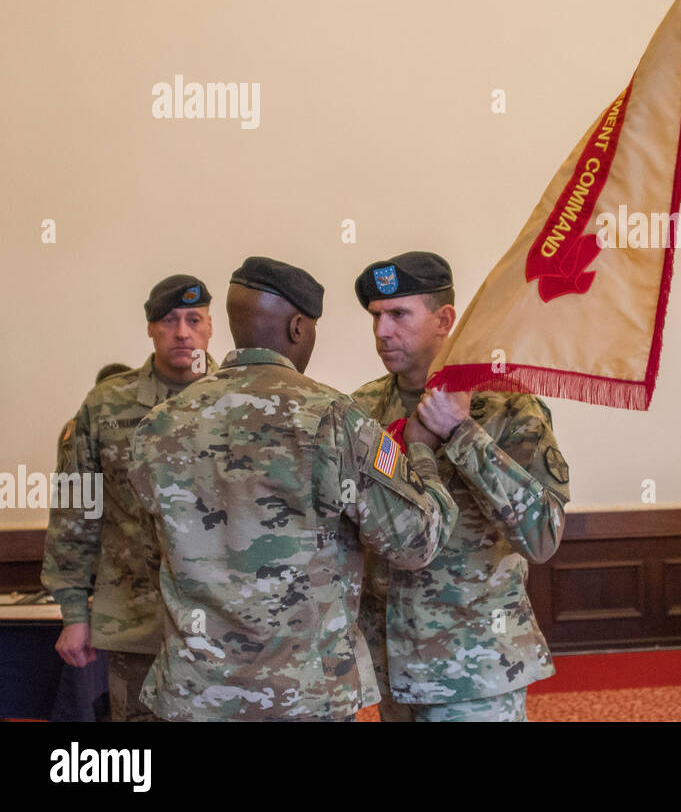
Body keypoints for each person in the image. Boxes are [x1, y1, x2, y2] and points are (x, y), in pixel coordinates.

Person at [125, 257, 457, 721]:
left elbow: (151, 551)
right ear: (299, 328)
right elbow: (415, 540)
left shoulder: (156, 428)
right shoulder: (333, 419)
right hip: (304, 696)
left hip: (195, 696)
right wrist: (422, 455)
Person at [352, 252, 570, 722]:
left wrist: (461, 433)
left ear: (444, 318)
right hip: (392, 663)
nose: (381, 332)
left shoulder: (508, 406)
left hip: (475, 666)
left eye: (398, 315)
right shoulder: (363, 409)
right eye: (375, 317)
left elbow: (542, 535)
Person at [41, 275, 215, 721]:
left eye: (193, 319)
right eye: (169, 320)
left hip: (225, 626)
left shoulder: (237, 400)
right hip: (138, 625)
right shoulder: (105, 406)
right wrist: (74, 613)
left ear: (210, 326)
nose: (182, 332)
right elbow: (76, 512)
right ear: (151, 329)